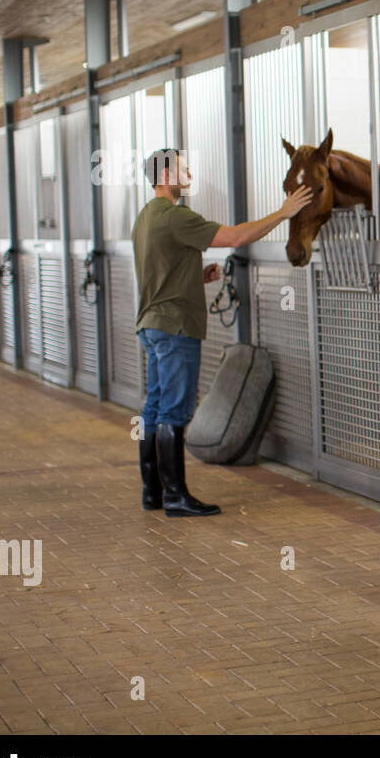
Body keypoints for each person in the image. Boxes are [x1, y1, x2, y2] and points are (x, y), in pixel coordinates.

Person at [133, 148, 312, 517]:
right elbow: (234, 238)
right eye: (183, 169)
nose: (190, 175)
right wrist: (283, 212)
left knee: (153, 407)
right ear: (166, 175)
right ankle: (176, 497)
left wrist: (197, 276)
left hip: (152, 324)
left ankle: (153, 493)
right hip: (176, 326)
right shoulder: (174, 216)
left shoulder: (144, 218)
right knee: (174, 410)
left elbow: (158, 274)